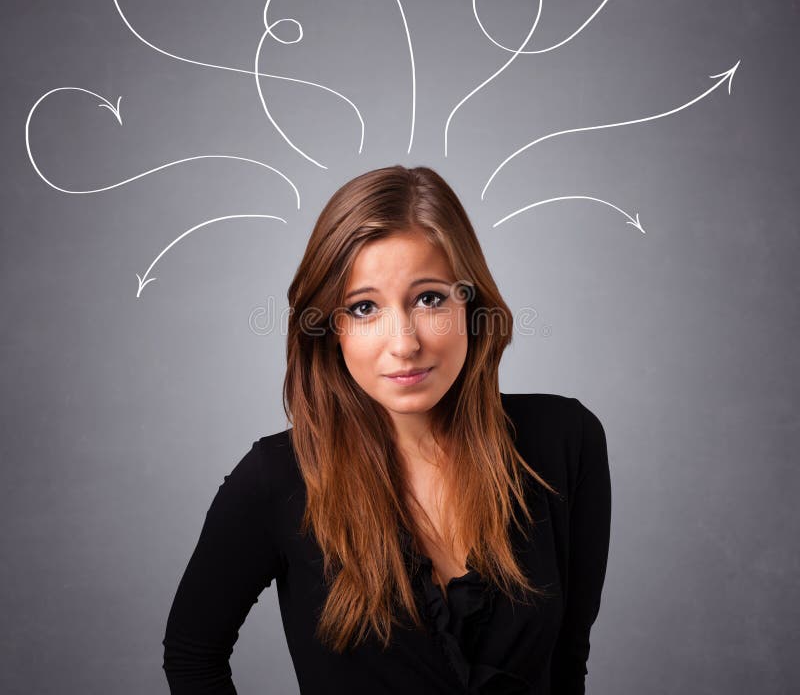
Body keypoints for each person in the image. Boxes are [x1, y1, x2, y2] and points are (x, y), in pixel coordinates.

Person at [161, 164, 612, 694]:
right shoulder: (276, 479)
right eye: (364, 307)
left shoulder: (564, 441)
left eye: (429, 298)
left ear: (471, 303)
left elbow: (568, 663)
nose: (403, 343)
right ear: (330, 328)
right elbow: (193, 657)